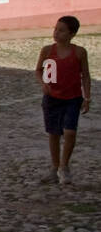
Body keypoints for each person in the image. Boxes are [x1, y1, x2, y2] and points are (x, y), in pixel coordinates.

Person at [35, 15, 91, 185]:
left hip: (73, 98)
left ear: (72, 34)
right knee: (53, 133)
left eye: (61, 30)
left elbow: (85, 76)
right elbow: (38, 71)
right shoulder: (47, 51)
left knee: (70, 132)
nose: (56, 33)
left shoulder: (79, 52)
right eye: (55, 29)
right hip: (52, 99)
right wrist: (44, 83)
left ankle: (64, 166)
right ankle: (54, 167)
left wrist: (87, 97)